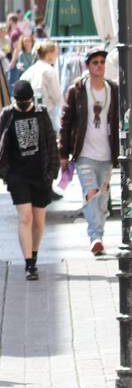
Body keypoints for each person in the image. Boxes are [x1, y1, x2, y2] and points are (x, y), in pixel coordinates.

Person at [0, 79, 60, 280]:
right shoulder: (7, 115)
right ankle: (29, 264)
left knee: (39, 221)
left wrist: (52, 171)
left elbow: (51, 142)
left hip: (40, 174)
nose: (23, 104)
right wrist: (5, 173)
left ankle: (34, 254)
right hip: (17, 175)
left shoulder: (41, 114)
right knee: (25, 216)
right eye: (20, 101)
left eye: (26, 100)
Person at [60, 49, 120, 256]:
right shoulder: (77, 90)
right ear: (88, 66)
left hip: (107, 153)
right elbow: (66, 122)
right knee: (91, 192)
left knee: (103, 199)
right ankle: (95, 237)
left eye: (102, 62)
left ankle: (98, 234)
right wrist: (63, 153)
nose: (100, 66)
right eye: (95, 62)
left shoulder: (113, 89)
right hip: (84, 152)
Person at [20, 39, 63, 133]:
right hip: (47, 117)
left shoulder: (29, 72)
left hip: (28, 117)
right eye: (56, 53)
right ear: (49, 54)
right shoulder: (49, 71)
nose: (57, 56)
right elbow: (57, 97)